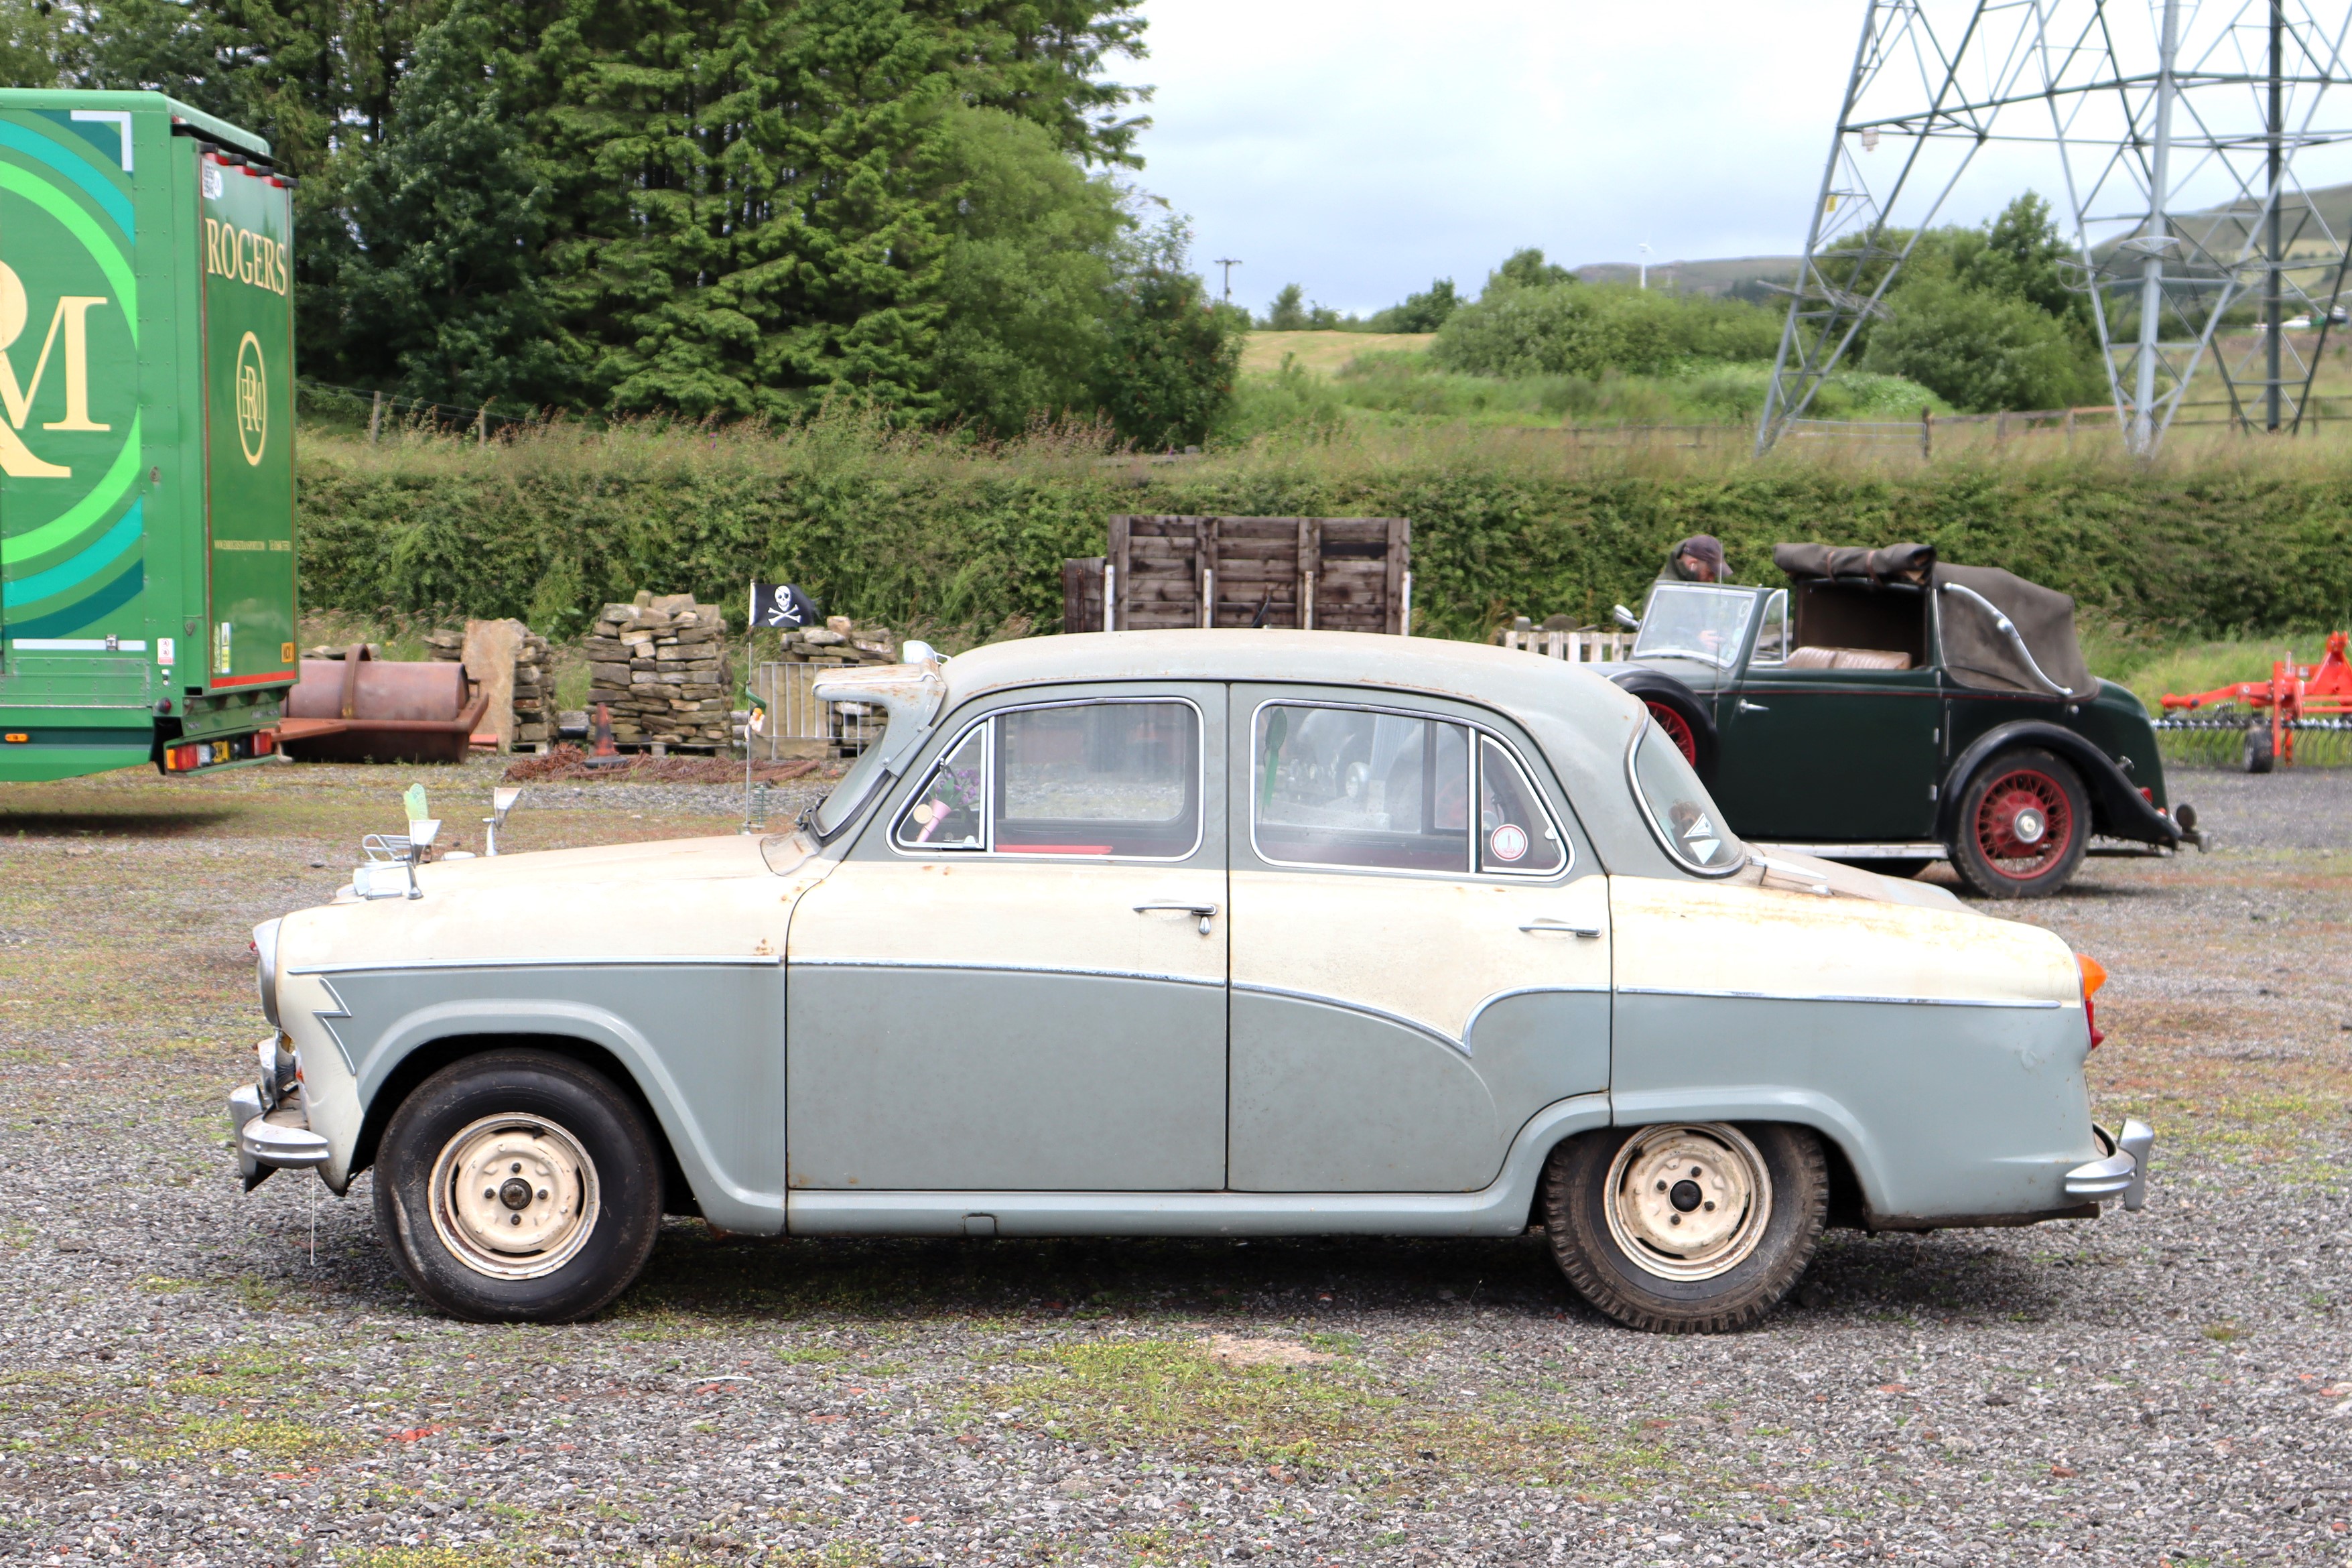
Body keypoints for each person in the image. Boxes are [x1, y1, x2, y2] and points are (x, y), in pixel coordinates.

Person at [1659, 534, 1725, 583]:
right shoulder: (1665, 592)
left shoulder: (1694, 590)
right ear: (1692, 565)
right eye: (1710, 573)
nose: (1711, 579)